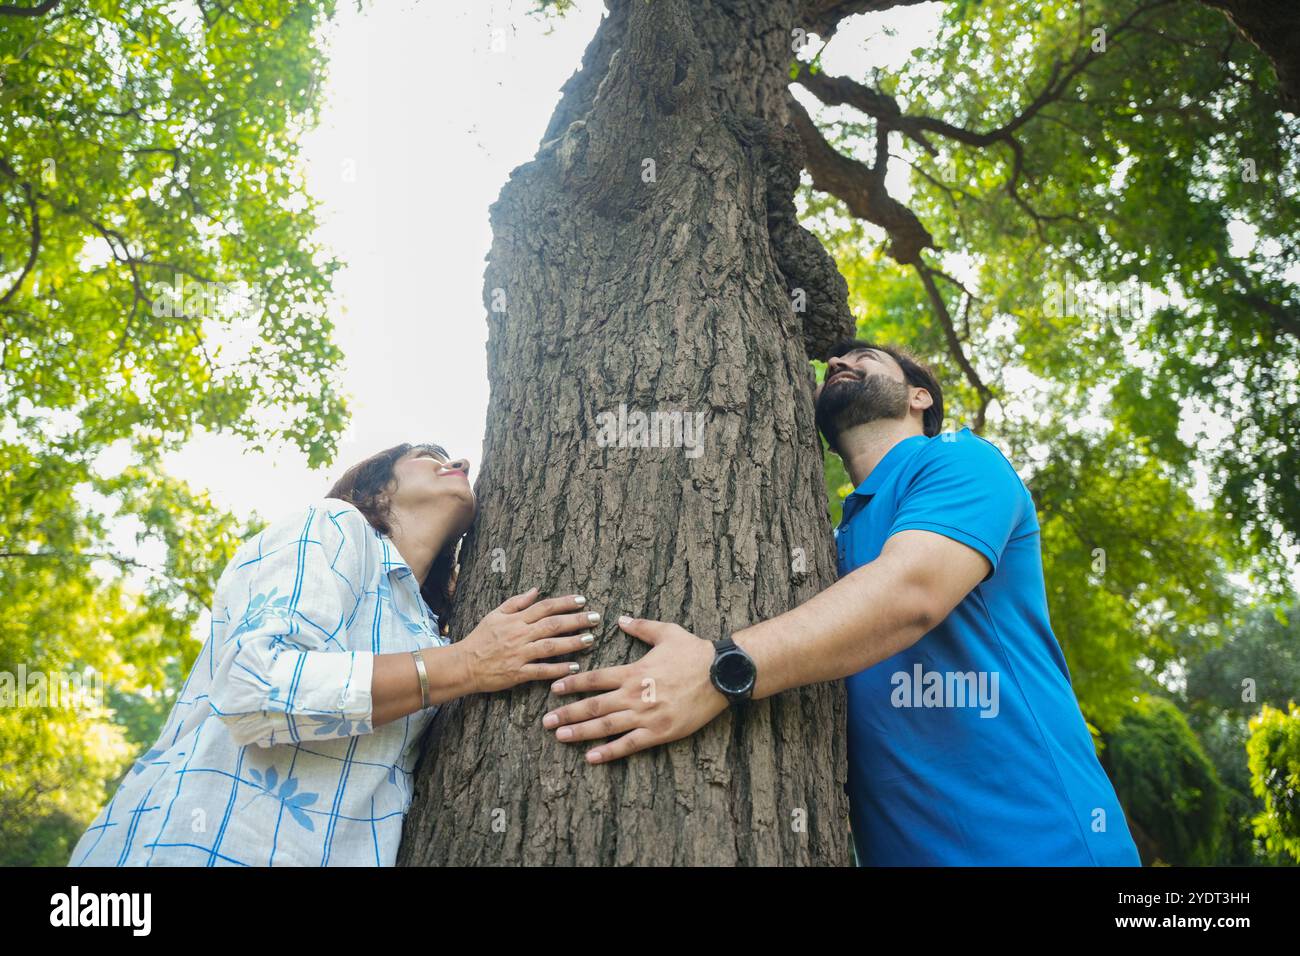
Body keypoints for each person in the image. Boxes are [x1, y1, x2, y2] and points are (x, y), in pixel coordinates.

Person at [542, 341, 1141, 866]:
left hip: (1042, 845)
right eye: (832, 361)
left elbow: (912, 593)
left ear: (919, 399)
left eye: (864, 357)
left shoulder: (959, 459)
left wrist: (718, 670)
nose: (836, 361)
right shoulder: (824, 544)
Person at [70, 442, 601, 866]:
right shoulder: (332, 526)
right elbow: (256, 688)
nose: (458, 462)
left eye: (453, 458)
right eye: (428, 457)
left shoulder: (434, 631)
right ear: (376, 485)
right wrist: (465, 665)